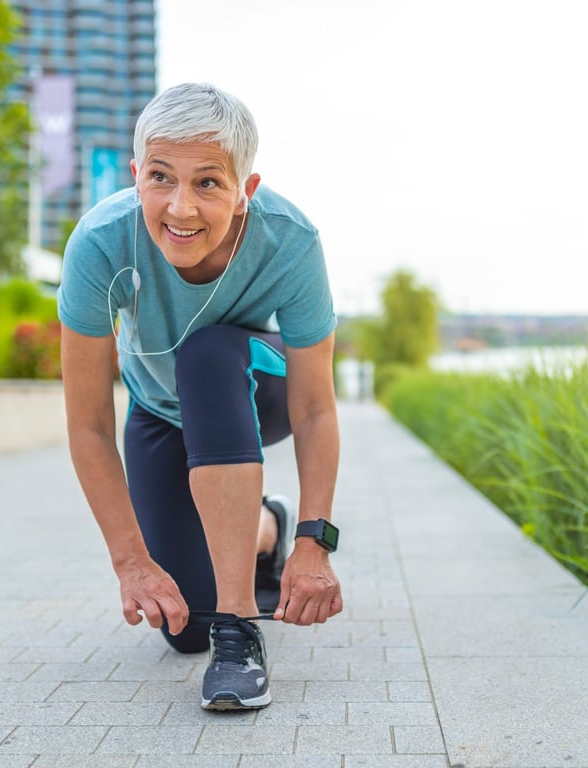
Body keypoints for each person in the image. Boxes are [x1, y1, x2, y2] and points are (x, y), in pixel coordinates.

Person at [56, 82, 344, 711]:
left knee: (206, 352)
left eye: (208, 182)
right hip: (160, 411)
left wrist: (315, 542)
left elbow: (316, 408)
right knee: (183, 624)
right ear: (136, 176)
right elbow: (88, 425)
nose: (180, 207)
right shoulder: (101, 243)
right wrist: (131, 561)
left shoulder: (290, 240)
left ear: (245, 191)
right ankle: (265, 527)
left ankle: (239, 634)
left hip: (258, 392)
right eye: (161, 177)